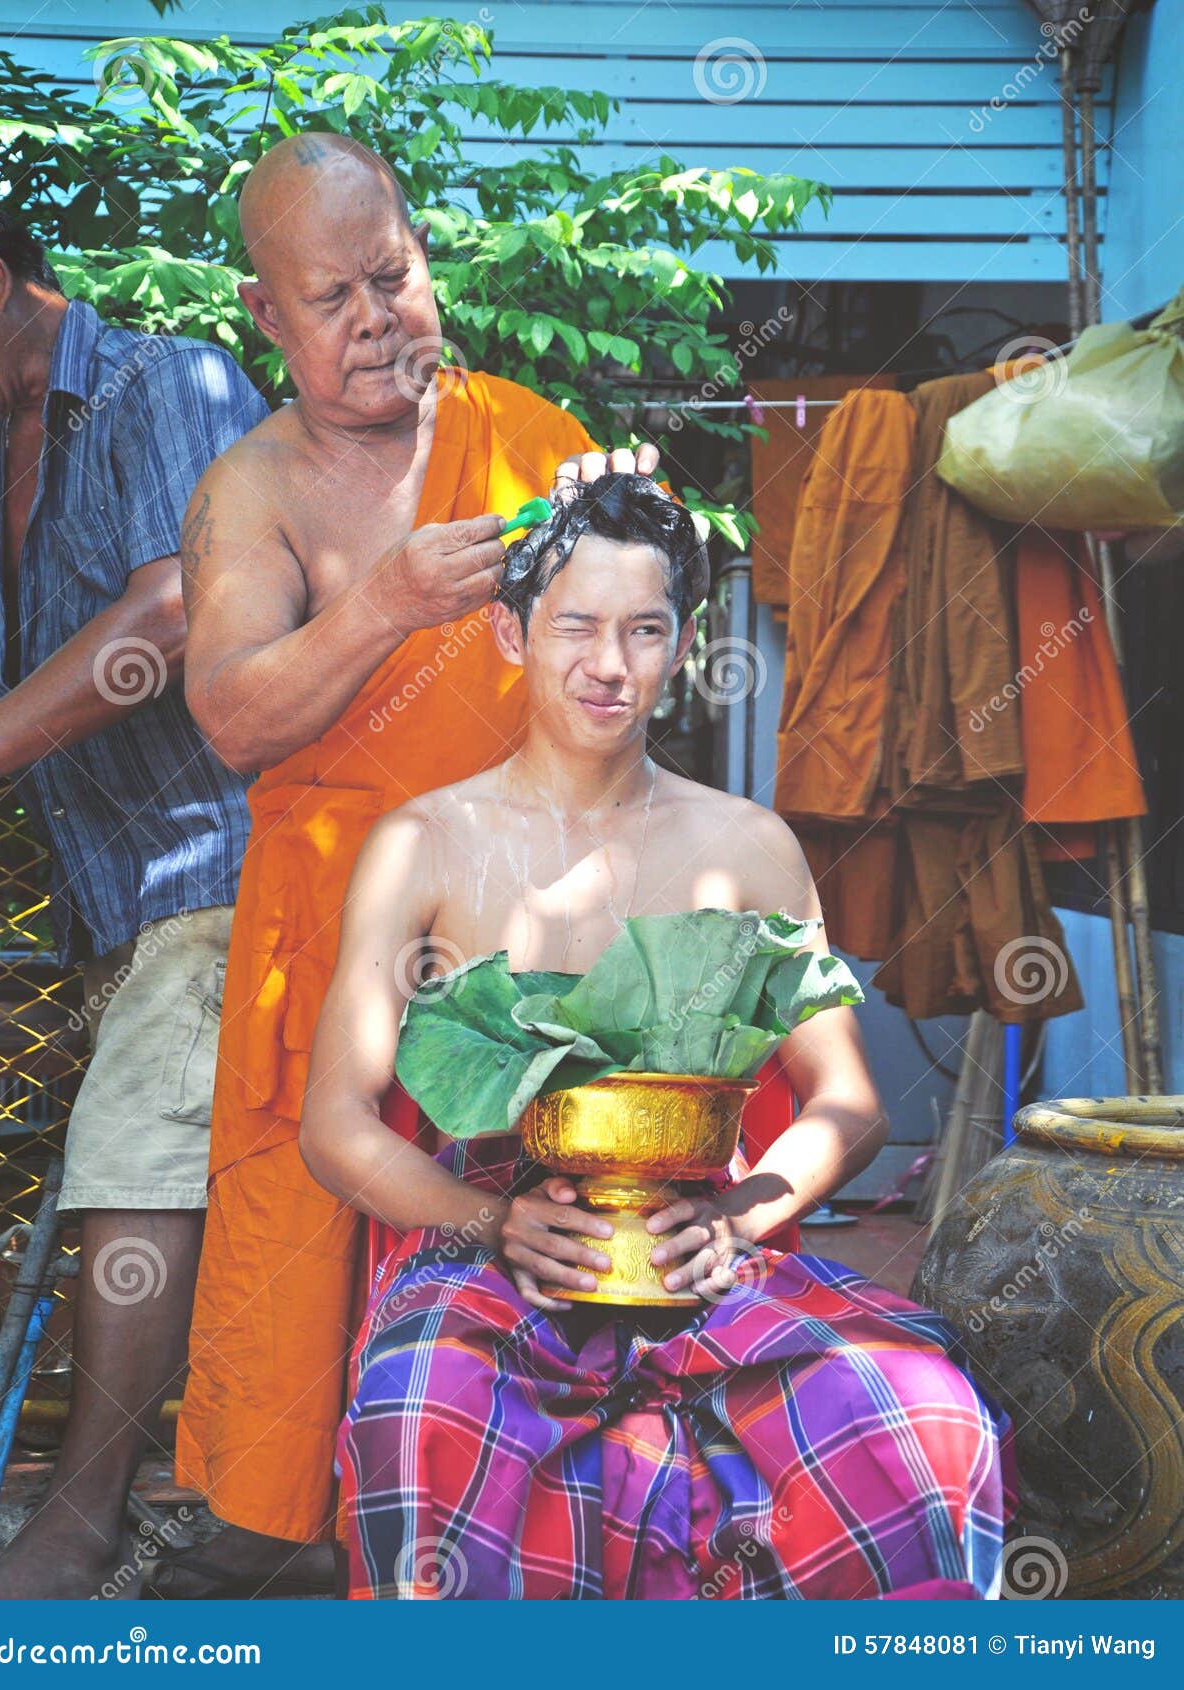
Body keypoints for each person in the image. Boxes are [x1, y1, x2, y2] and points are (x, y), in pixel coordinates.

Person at [303, 472, 1015, 1601]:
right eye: (575, 626)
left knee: (913, 1413)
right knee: (422, 1407)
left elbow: (847, 1100)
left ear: (682, 644)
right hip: (493, 1247)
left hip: (701, 1239)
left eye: (644, 630)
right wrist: (496, 1219)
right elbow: (335, 1123)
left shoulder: (749, 843)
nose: (609, 664)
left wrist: (735, 1218)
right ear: (507, 631)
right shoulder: (425, 843)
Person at [167, 132, 654, 1597]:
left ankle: (517, 1512)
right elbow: (233, 715)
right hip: (334, 926)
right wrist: (379, 601)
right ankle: (280, 1540)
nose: (377, 319)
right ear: (269, 316)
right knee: (301, 1237)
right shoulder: (252, 487)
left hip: (528, 919)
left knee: (535, 1226)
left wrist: (627, 543)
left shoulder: (522, 433)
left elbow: (622, 671)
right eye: (333, 297)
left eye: (394, 275)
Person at [0, 198, 266, 1599]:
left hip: (238, 862)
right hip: (105, 896)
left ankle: (83, 1515)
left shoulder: (171, 386)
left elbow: (169, 619)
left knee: (143, 1098)